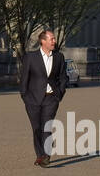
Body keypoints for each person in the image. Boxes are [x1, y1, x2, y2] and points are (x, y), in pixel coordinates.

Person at [19, 29, 68, 167]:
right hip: (32, 99)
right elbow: (24, 79)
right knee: (36, 128)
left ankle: (46, 155)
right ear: (43, 41)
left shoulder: (59, 57)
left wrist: (60, 93)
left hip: (51, 98)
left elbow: (63, 77)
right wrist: (24, 96)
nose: (54, 41)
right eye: (51, 39)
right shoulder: (30, 57)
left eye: (54, 39)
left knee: (46, 126)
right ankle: (40, 155)